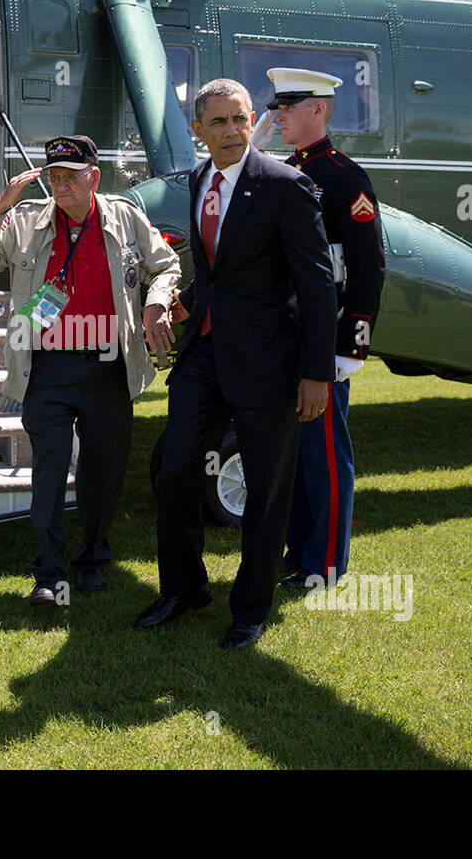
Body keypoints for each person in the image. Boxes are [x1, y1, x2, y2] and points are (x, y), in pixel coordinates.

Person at [138, 78, 337, 649]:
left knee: (266, 489)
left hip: (269, 365)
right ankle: (182, 588)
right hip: (203, 354)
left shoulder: (285, 185)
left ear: (253, 122)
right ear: (198, 130)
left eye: (240, 120)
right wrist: (183, 308)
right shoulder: (200, 179)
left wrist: (316, 372)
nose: (230, 131)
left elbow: (317, 286)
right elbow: (215, 271)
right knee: (174, 468)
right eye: (218, 122)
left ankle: (249, 608)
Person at [0, 135, 181, 605]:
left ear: (93, 177)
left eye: (71, 176)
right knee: (50, 468)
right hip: (48, 368)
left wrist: (157, 302)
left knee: (104, 470)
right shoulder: (23, 221)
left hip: (108, 366)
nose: (61, 186)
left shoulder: (123, 215)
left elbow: (165, 265)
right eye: (54, 177)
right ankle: (49, 572)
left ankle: (94, 560)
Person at [263, 68, 386, 587]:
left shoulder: (344, 178)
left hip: (326, 338)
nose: (280, 115)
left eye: (290, 105)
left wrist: (351, 345)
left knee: (325, 456)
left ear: (320, 108)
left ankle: (327, 563)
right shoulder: (283, 171)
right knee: (292, 454)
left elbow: (368, 266)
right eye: (278, 105)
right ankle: (299, 551)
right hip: (285, 336)